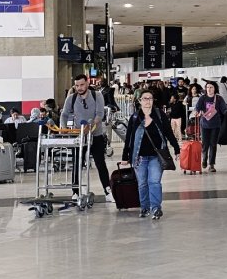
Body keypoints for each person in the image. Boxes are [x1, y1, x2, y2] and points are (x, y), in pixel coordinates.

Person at [120, 88, 178, 219]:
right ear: (139, 101)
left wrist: (176, 149)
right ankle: (145, 208)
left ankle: (156, 208)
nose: (148, 101)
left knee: (154, 182)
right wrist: (125, 157)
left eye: (150, 99)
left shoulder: (159, 114)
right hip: (139, 157)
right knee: (142, 184)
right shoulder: (135, 117)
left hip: (156, 156)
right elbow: (128, 138)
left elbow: (169, 133)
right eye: (145, 98)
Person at [61, 73, 112, 198]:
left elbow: (100, 114)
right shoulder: (71, 98)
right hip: (79, 136)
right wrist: (63, 127)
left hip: (96, 135)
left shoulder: (97, 95)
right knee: (77, 163)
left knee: (100, 163)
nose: (79, 88)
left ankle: (108, 191)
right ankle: (75, 192)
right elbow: (64, 114)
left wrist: (90, 126)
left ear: (87, 83)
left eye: (82, 85)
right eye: (77, 85)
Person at [195, 81, 227, 171]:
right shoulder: (203, 98)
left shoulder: (219, 99)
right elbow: (197, 107)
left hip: (215, 124)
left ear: (215, 88)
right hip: (204, 124)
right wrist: (197, 111)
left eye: (211, 87)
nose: (209, 89)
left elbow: (224, 108)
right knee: (205, 144)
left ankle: (211, 164)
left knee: (213, 144)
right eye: (207, 87)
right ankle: (204, 159)